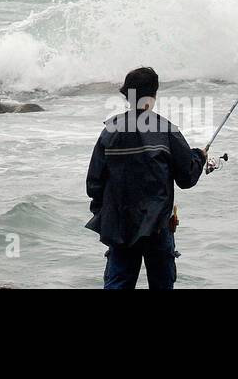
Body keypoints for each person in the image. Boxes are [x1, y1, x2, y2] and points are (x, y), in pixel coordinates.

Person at [85, 66, 206, 289]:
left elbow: (94, 183)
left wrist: (104, 215)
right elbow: (187, 177)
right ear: (153, 95)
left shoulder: (110, 131)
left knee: (118, 283)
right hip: (158, 224)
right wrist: (199, 156)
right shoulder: (166, 129)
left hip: (120, 224)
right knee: (162, 283)